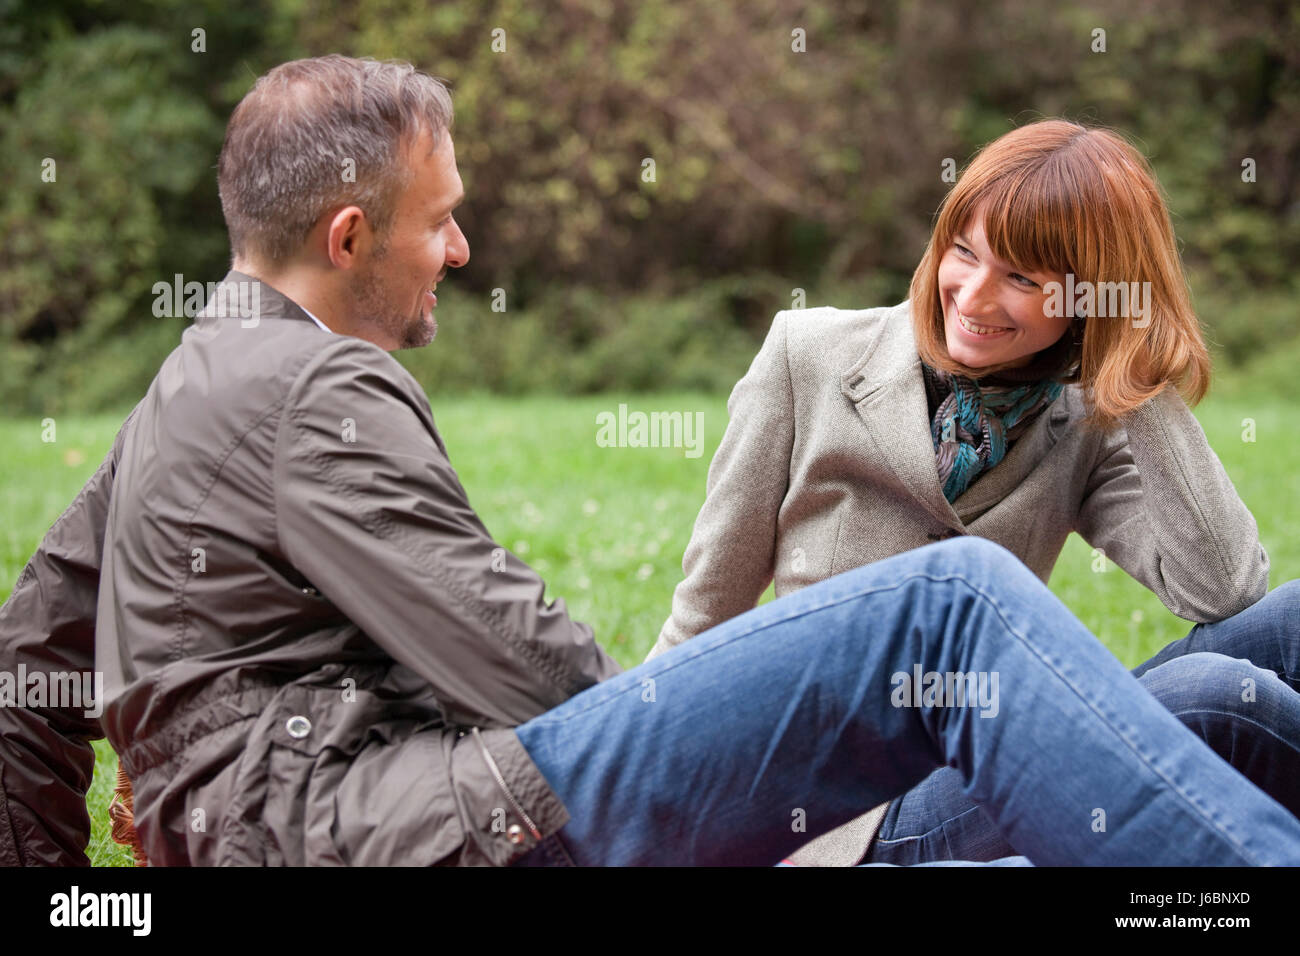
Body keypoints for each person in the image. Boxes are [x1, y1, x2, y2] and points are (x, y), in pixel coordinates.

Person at [4, 57, 1300, 867]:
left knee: (1240, 679)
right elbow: (515, 656)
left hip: (385, 812)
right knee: (960, 601)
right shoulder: (321, 387)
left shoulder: (199, 380)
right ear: (349, 237)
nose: (459, 251)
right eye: (442, 220)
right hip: (419, 828)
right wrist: (717, 744)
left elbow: (27, 670)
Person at [645, 119, 1300, 865]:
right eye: (965, 252)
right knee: (1214, 698)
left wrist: (1139, 364)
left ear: (1099, 299)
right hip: (847, 812)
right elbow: (705, 615)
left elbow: (1225, 591)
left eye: (1022, 279)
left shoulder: (1082, 418)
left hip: (1014, 747)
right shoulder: (809, 358)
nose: (975, 296)